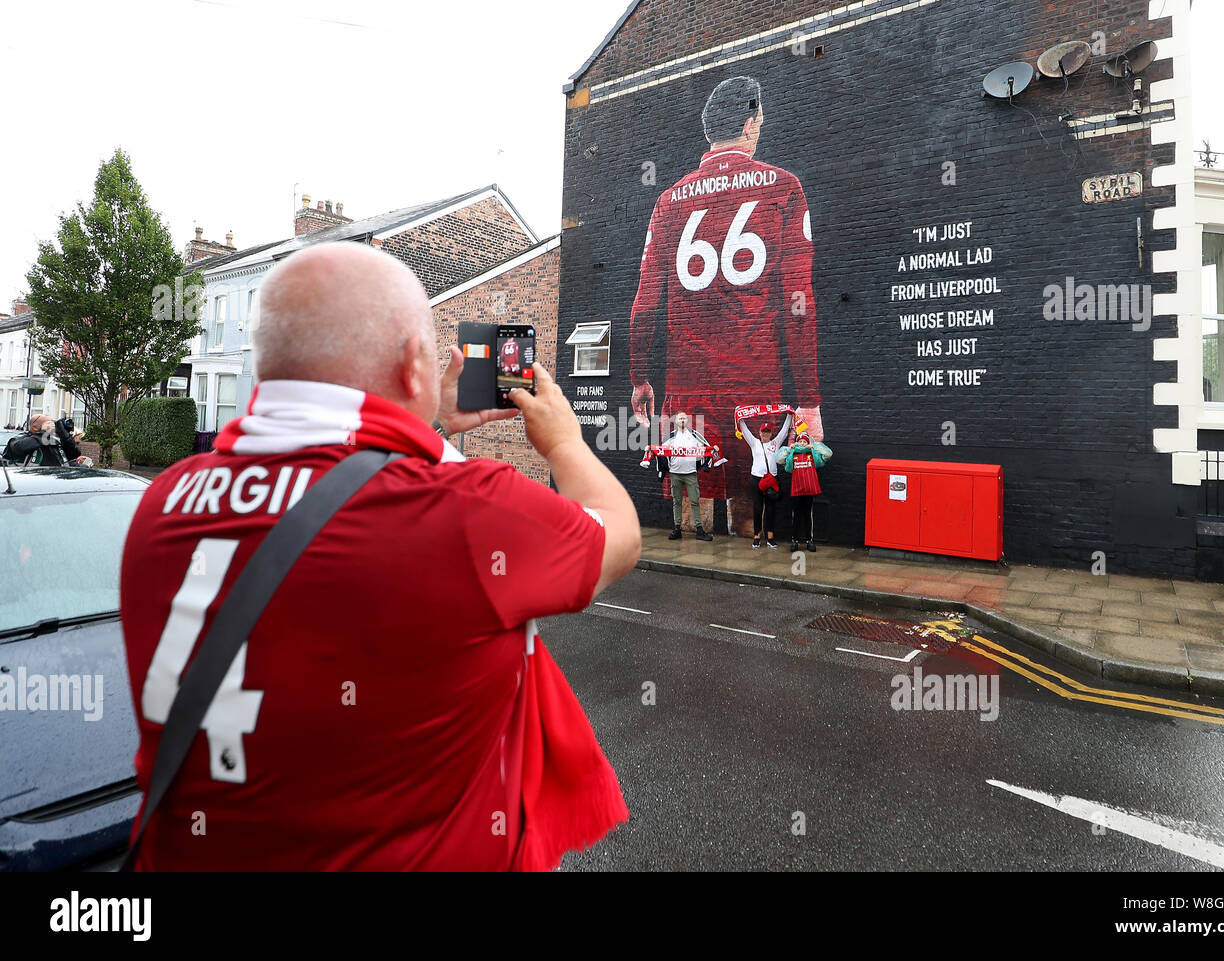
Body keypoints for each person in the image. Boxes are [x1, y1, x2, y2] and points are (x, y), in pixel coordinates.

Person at [118, 242, 642, 871]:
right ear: (415, 364)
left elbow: (336, 493)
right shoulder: (469, 512)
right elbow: (617, 535)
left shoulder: (163, 501)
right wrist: (564, 441)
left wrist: (430, 425)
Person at [629, 75, 823, 536]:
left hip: (687, 385)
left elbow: (644, 304)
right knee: (754, 491)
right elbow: (800, 304)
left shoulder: (668, 200)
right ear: (752, 122)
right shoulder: (782, 186)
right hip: (756, 381)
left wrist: (639, 377)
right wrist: (810, 401)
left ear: (707, 132)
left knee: (693, 483)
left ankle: (695, 570)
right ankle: (752, 578)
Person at [739, 411, 792, 548]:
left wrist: (790, 415)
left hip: (772, 481)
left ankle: (770, 537)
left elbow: (785, 431)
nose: (765, 434)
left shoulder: (776, 442)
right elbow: (745, 431)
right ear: (760, 432)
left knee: (771, 509)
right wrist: (739, 417)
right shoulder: (754, 443)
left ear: (771, 433)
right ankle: (757, 536)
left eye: (768, 432)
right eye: (763, 432)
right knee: (757, 508)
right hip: (756, 479)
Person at [660, 411, 714, 541]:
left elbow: (706, 447)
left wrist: (713, 449)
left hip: (690, 473)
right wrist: (649, 449)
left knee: (695, 501)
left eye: (684, 418)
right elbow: (660, 449)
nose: (682, 420)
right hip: (675, 473)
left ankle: (699, 530)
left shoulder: (695, 435)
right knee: (677, 501)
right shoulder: (671, 436)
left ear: (687, 420)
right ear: (676, 421)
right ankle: (677, 528)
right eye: (680, 418)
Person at [778, 424, 832, 552]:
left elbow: (828, 454)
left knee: (808, 515)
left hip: (809, 489)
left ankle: (809, 540)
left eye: (804, 441)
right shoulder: (793, 454)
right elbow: (780, 460)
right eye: (800, 441)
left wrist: (814, 446)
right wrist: (790, 449)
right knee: (796, 515)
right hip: (796, 489)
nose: (802, 444)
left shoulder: (813, 455)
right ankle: (795, 541)